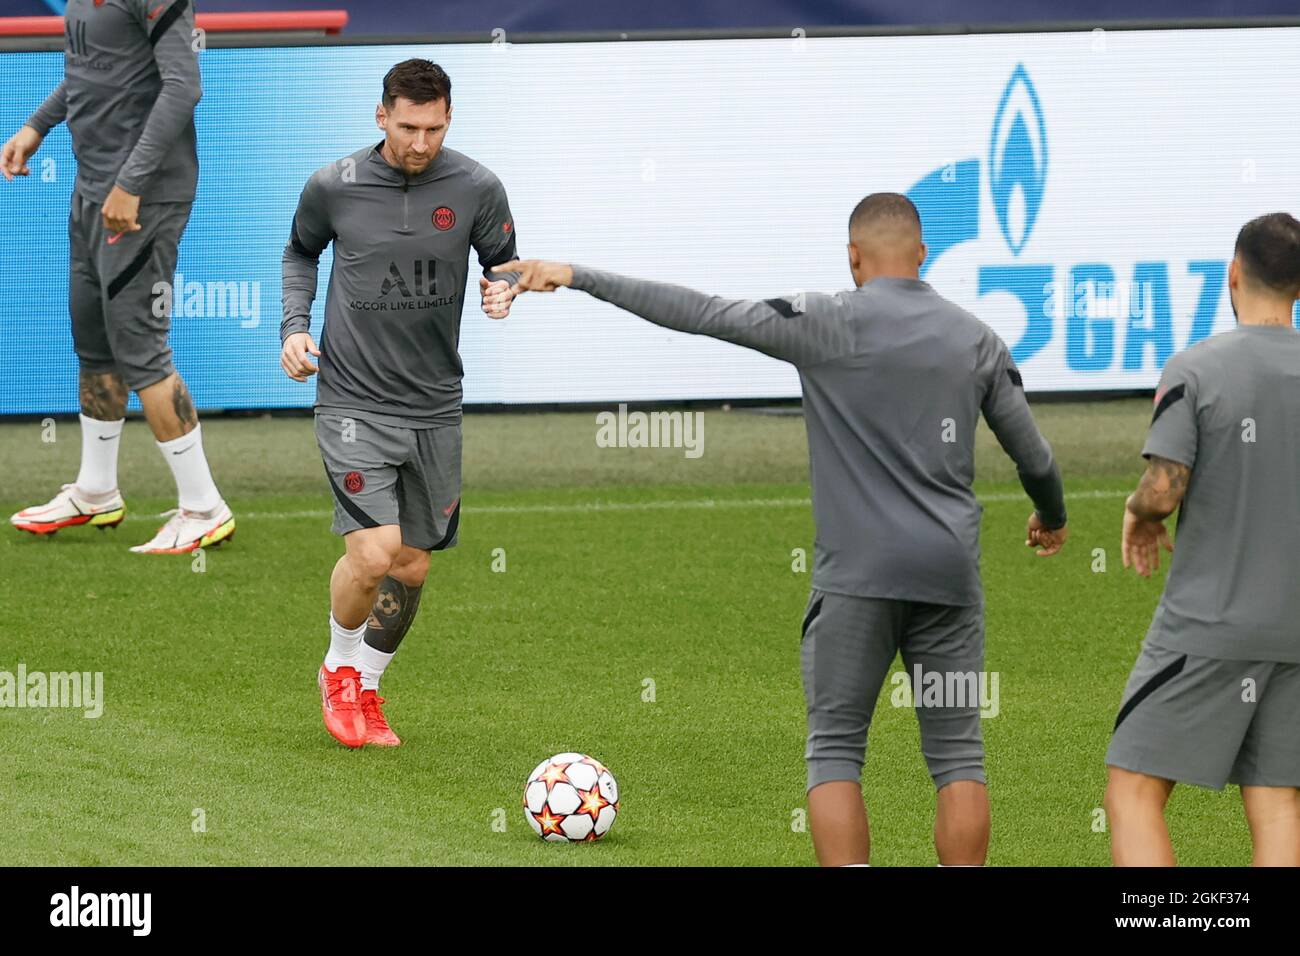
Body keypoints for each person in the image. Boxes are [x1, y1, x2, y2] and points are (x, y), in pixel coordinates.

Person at [492, 191, 1068, 865]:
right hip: (948, 576)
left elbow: (701, 313)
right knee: (958, 753)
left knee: (835, 749)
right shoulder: (977, 338)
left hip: (856, 578)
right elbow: (1035, 456)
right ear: (922, 255)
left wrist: (577, 274)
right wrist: (1050, 516)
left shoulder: (821, 320)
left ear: (853, 257)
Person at [280, 59, 520, 749]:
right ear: (381, 114)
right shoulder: (334, 185)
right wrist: (294, 329)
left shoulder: (477, 186)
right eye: (409, 126)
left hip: (436, 404)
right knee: (377, 552)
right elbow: (300, 252)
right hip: (351, 399)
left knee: (413, 564)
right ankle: (336, 668)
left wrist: (503, 288)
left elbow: (500, 258)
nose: (421, 143)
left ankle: (370, 685)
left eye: (435, 129)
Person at [3, 0, 234, 553]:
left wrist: (131, 182)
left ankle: (203, 507)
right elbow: (91, 70)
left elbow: (184, 85)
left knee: (140, 348)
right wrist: (37, 126)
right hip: (92, 190)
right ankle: (96, 489)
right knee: (95, 342)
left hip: (141, 196)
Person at [1106, 213, 1300, 867]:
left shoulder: (1196, 369)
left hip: (1210, 626)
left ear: (1234, 274)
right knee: (1277, 802)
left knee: (1133, 787)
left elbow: (1164, 487)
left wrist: (1141, 511)